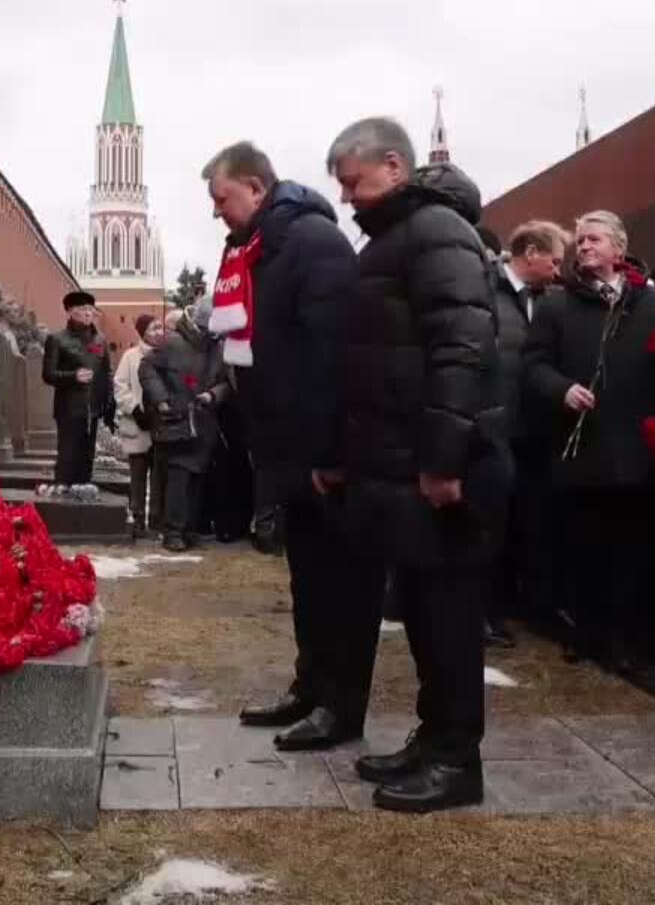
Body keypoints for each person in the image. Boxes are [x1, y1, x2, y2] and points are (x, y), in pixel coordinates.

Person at [325, 117, 504, 814]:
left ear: (394, 166)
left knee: (451, 617)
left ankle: (458, 760)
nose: (347, 198)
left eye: (353, 182)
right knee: (426, 616)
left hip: (437, 469)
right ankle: (434, 739)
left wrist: (443, 458)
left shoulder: (436, 232)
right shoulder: (398, 237)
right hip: (400, 462)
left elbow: (461, 346)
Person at [201, 141, 373, 751]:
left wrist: (332, 454)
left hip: (322, 451)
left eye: (222, 198)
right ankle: (310, 686)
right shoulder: (254, 249)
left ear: (253, 186)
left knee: (340, 584)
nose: (217, 213)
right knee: (307, 578)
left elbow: (334, 354)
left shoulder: (311, 243)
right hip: (286, 446)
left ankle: (341, 706)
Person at [526, 211, 655, 669]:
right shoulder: (556, 306)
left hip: (639, 452)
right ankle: (587, 633)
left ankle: (631, 637)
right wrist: (561, 389)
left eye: (594, 239)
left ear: (619, 247)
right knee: (583, 548)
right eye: (579, 241)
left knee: (635, 550)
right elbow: (532, 365)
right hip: (583, 449)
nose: (584, 247)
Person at [484, 221, 570, 649]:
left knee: (526, 522)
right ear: (531, 253)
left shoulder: (547, 301)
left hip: (531, 433)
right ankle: (484, 612)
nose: (558, 271)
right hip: (492, 429)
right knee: (489, 525)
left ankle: (521, 604)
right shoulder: (485, 292)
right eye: (554, 260)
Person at [139, 300, 232, 551]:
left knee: (197, 477)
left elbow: (226, 382)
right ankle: (173, 531)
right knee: (179, 477)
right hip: (177, 420)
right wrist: (160, 399)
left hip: (204, 421)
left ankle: (189, 529)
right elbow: (147, 367)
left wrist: (212, 395)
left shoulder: (219, 348)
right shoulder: (172, 343)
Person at [42, 291, 113, 491]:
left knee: (87, 458)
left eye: (91, 309)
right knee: (68, 456)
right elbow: (48, 374)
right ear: (69, 312)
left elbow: (107, 372)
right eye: (82, 309)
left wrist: (108, 402)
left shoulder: (100, 340)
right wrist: (73, 376)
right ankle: (62, 492)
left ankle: (84, 493)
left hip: (94, 410)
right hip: (69, 409)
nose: (88, 313)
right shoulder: (57, 339)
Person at [114, 313, 170, 542]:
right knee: (138, 476)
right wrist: (135, 410)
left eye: (160, 328)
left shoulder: (167, 354)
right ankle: (137, 519)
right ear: (143, 332)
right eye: (154, 328)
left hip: (162, 426)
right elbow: (120, 386)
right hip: (137, 426)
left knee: (159, 477)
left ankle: (156, 521)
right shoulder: (130, 356)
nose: (159, 332)